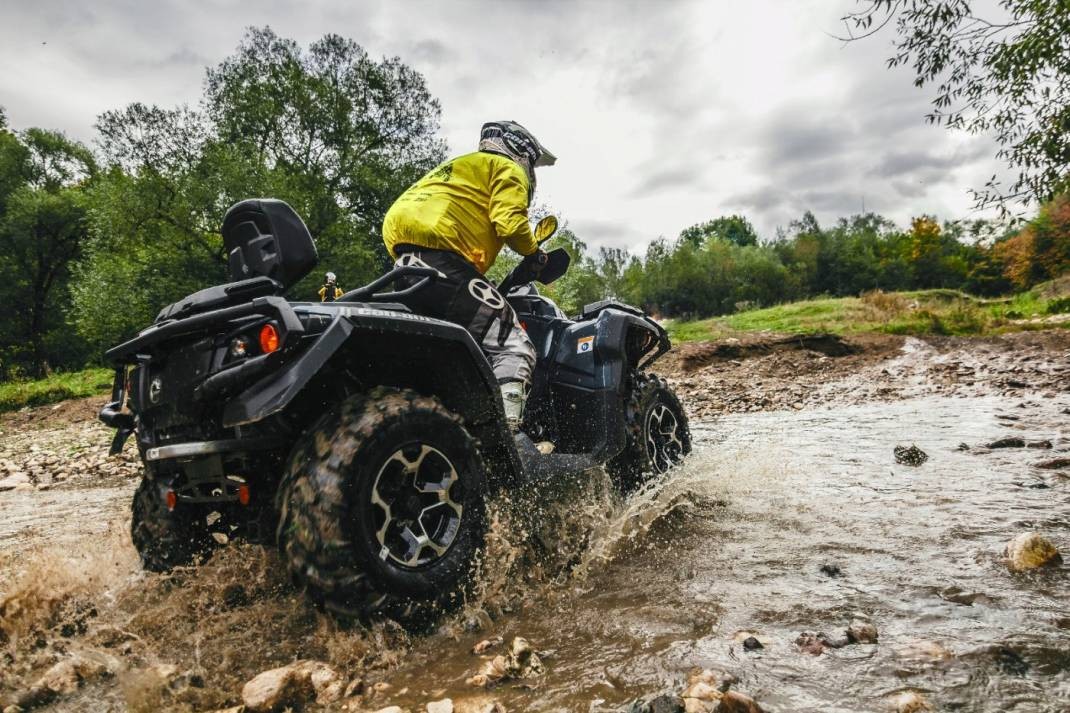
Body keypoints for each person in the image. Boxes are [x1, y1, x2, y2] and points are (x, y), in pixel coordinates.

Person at [382, 120, 556, 429]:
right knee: (515, 345)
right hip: (444, 265)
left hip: (404, 268)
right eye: (533, 165)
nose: (531, 172)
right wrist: (533, 253)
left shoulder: (459, 168)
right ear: (522, 151)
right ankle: (510, 442)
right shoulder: (506, 169)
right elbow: (510, 223)